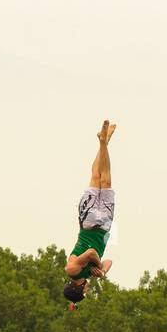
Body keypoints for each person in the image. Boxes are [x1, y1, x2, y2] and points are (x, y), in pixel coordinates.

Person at [63, 121, 117, 307]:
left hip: (89, 221)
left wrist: (96, 265)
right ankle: (103, 142)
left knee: (97, 177)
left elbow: (92, 252)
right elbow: (109, 261)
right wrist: (101, 271)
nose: (87, 290)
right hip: (104, 225)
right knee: (105, 180)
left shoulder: (72, 270)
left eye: (84, 292)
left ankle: (103, 142)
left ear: (78, 289)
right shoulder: (88, 275)